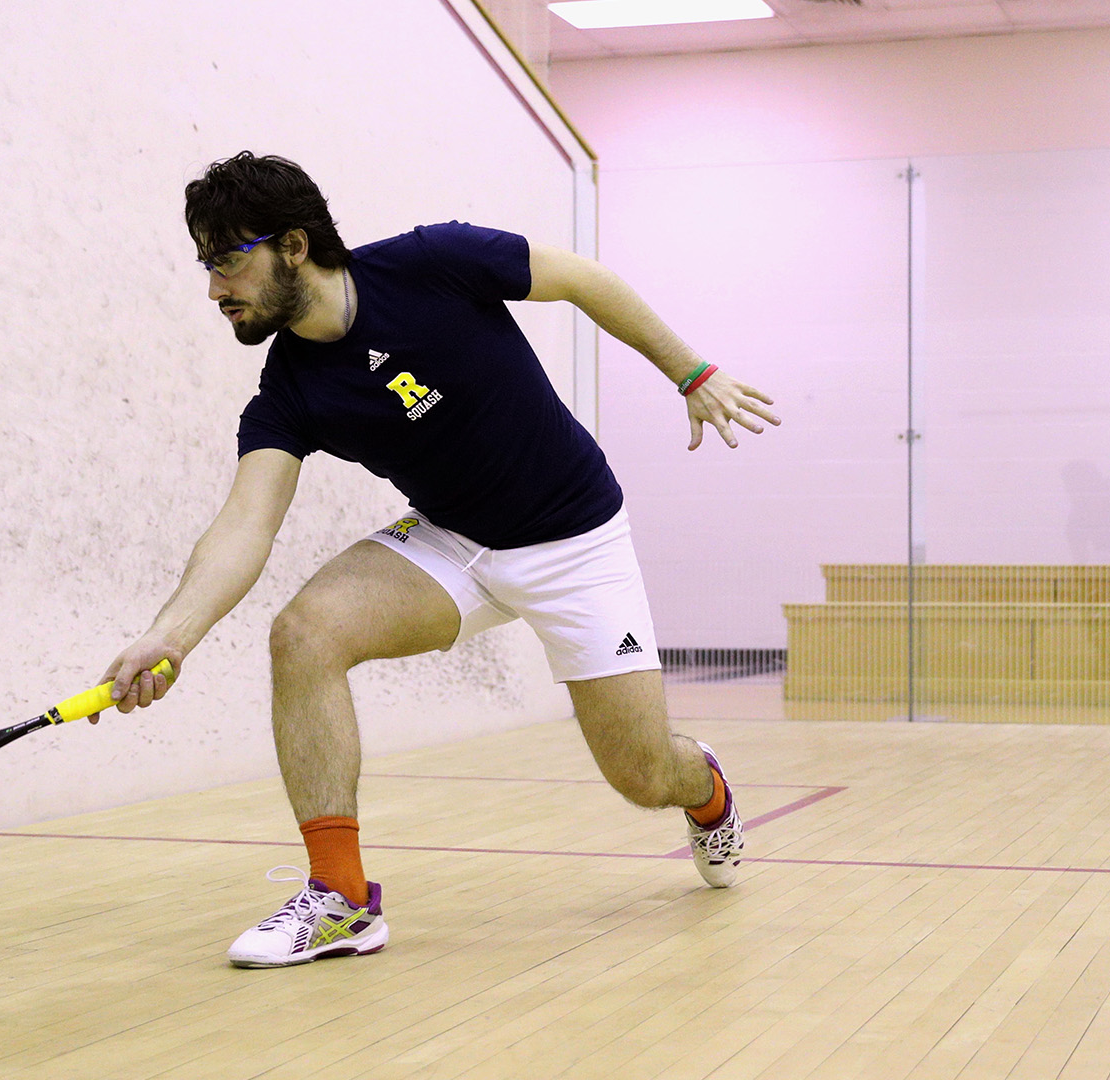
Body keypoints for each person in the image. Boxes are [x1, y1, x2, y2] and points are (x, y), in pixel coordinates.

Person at [97, 152, 779, 969]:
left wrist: (690, 373)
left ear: (296, 246)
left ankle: (706, 790)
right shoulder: (288, 390)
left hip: (574, 540)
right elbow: (245, 523)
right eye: (206, 266)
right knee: (305, 633)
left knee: (641, 775)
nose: (214, 289)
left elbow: (584, 279)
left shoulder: (434, 262)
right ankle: (343, 901)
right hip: (452, 540)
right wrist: (169, 635)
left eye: (228, 260)